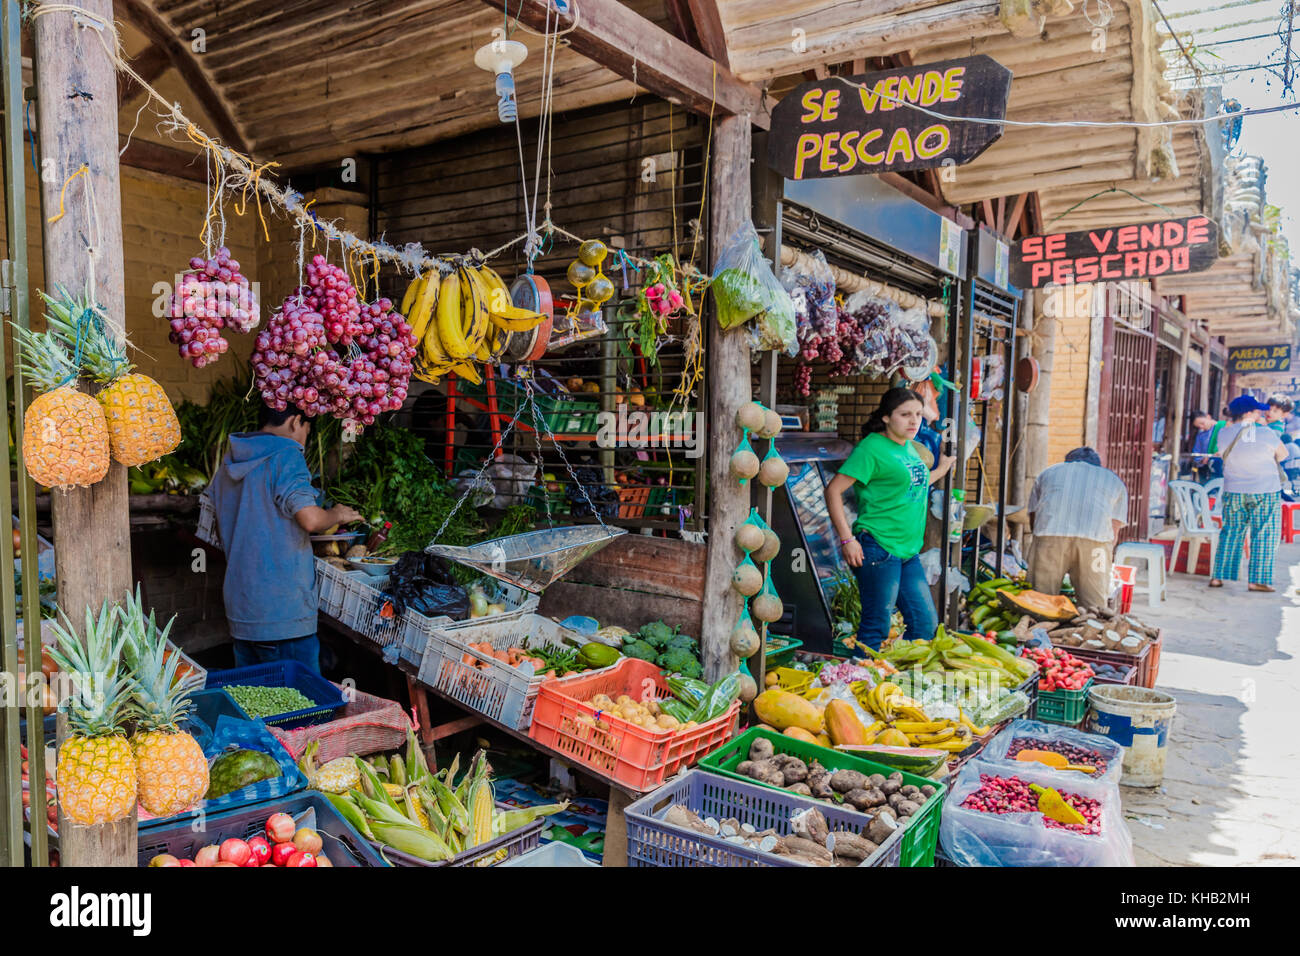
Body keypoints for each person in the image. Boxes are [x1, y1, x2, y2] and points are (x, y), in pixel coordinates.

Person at [208, 403, 361, 671]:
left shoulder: (230, 462)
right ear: (295, 421)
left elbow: (224, 530)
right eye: (306, 430)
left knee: (254, 704)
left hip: (242, 612)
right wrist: (336, 514)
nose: (304, 440)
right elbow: (311, 519)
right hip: (283, 612)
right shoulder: (286, 454)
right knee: (302, 708)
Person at [825, 387, 956, 654]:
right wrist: (847, 538)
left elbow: (915, 483)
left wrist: (941, 469)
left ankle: (901, 687)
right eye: (904, 414)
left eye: (918, 414)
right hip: (878, 547)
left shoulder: (908, 447)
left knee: (924, 626)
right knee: (876, 627)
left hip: (908, 551)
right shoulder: (872, 448)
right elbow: (833, 490)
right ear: (886, 417)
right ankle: (855, 685)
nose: (913, 421)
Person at [1026, 447, 1128, 609]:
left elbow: (1034, 517)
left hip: (1050, 537)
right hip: (1096, 543)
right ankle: (1091, 629)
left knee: (1041, 600)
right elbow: (1114, 531)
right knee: (1094, 606)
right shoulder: (1113, 481)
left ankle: (1039, 631)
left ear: (1067, 462)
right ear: (1098, 466)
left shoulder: (1048, 473)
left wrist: (1041, 545)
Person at [1209, 395, 1288, 592]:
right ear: (1247, 413)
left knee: (1231, 532)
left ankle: (1219, 577)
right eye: (1256, 411)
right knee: (1264, 534)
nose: (1261, 413)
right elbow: (1283, 454)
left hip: (1234, 489)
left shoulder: (1223, 434)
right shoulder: (1266, 433)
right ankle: (1258, 580)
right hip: (1265, 490)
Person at [1188, 409, 1220, 482]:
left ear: (1208, 417)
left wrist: (1211, 457)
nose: (1201, 427)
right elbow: (1196, 453)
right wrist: (1201, 460)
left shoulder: (1222, 429)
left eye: (1202, 423)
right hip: (1205, 469)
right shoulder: (1200, 436)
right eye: (1198, 427)